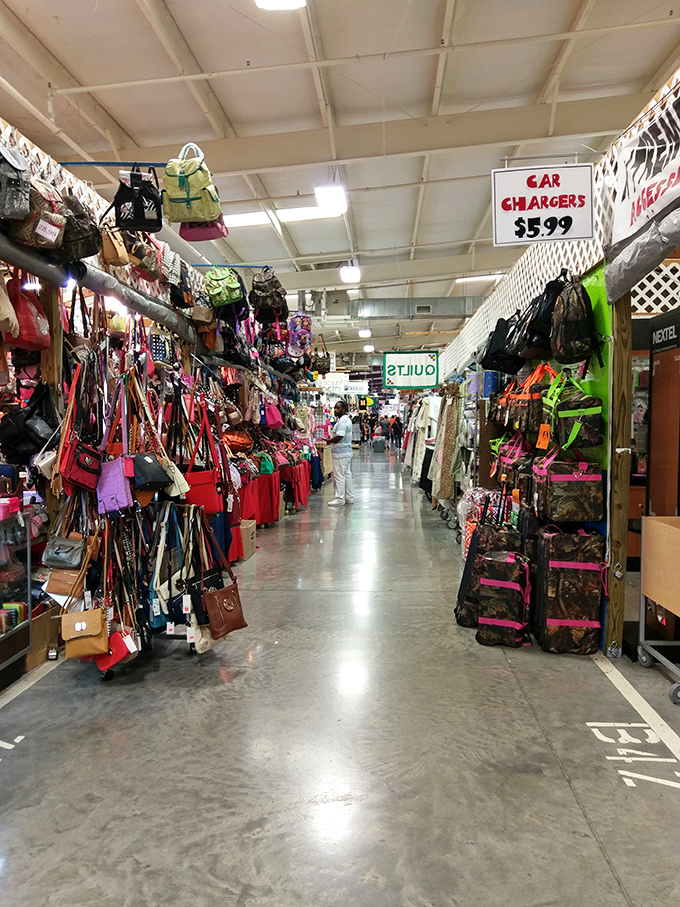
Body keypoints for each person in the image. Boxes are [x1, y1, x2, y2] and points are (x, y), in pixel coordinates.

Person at [326, 399, 354, 506]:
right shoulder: (346, 419)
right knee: (347, 475)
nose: (335, 410)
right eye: (335, 408)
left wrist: (329, 441)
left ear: (344, 409)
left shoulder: (342, 421)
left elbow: (339, 436)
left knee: (339, 476)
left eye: (338, 408)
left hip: (340, 453)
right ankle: (349, 497)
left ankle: (340, 498)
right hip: (346, 452)